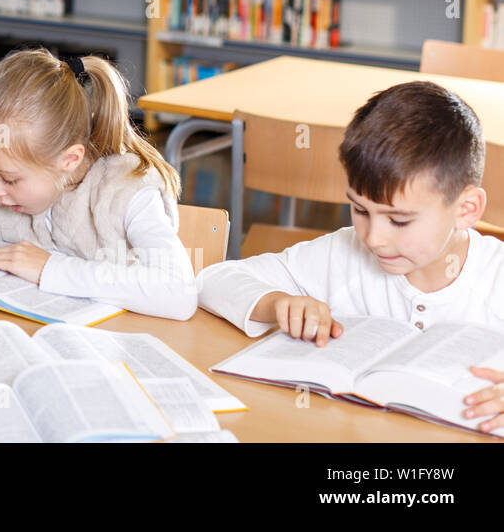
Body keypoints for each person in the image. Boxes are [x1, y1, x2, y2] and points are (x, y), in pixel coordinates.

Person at [197, 80, 504, 434]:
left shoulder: (495, 277)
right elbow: (212, 280)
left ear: (466, 209)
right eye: (359, 210)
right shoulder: (341, 254)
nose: (374, 238)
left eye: (399, 220)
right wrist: (276, 302)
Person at [0, 49, 196, 321]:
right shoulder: (2, 171)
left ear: (69, 159)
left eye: (10, 179)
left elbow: (178, 292)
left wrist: (49, 268)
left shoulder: (127, 191)